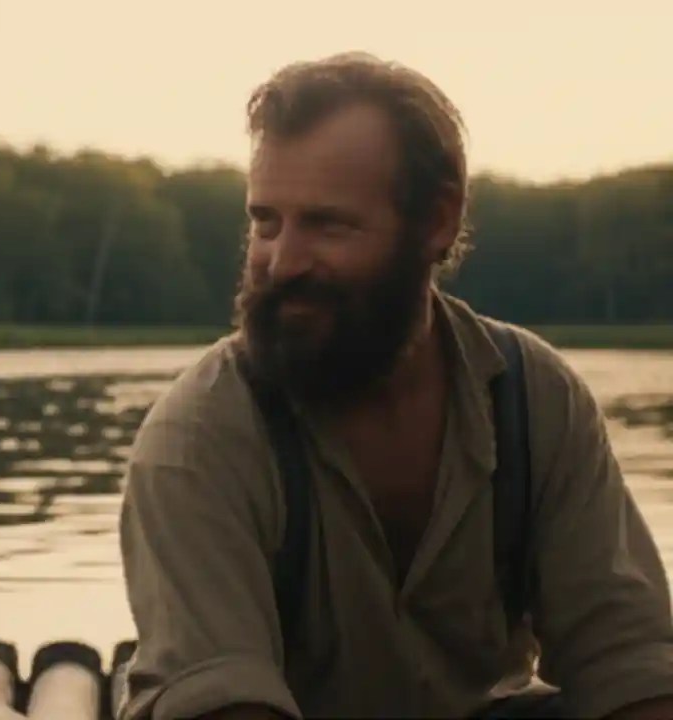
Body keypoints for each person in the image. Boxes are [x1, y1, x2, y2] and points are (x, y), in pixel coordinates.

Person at [117, 52, 673, 719]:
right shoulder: (200, 438)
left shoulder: (535, 398)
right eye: (265, 221)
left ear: (437, 220)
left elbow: (628, 659)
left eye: (328, 224)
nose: (282, 261)